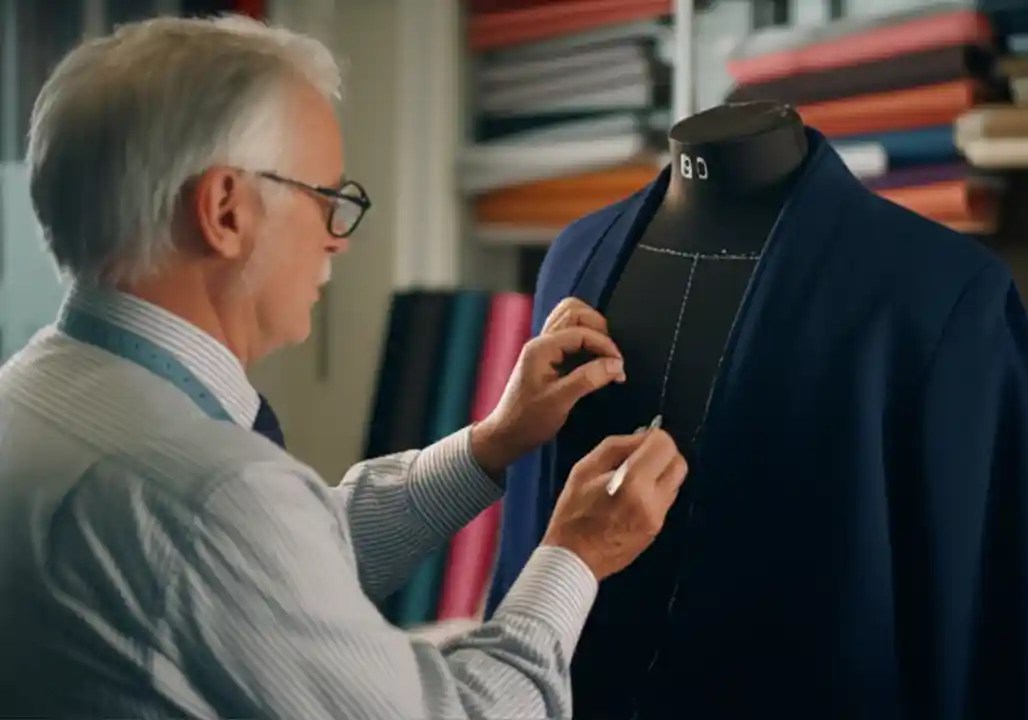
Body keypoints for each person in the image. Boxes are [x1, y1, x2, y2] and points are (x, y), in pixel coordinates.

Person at [0, 15, 687, 719]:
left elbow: (272, 566)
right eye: (326, 199)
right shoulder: (207, 490)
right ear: (225, 210)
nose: (339, 241)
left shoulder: (32, 395)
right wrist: (575, 556)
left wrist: (491, 445)